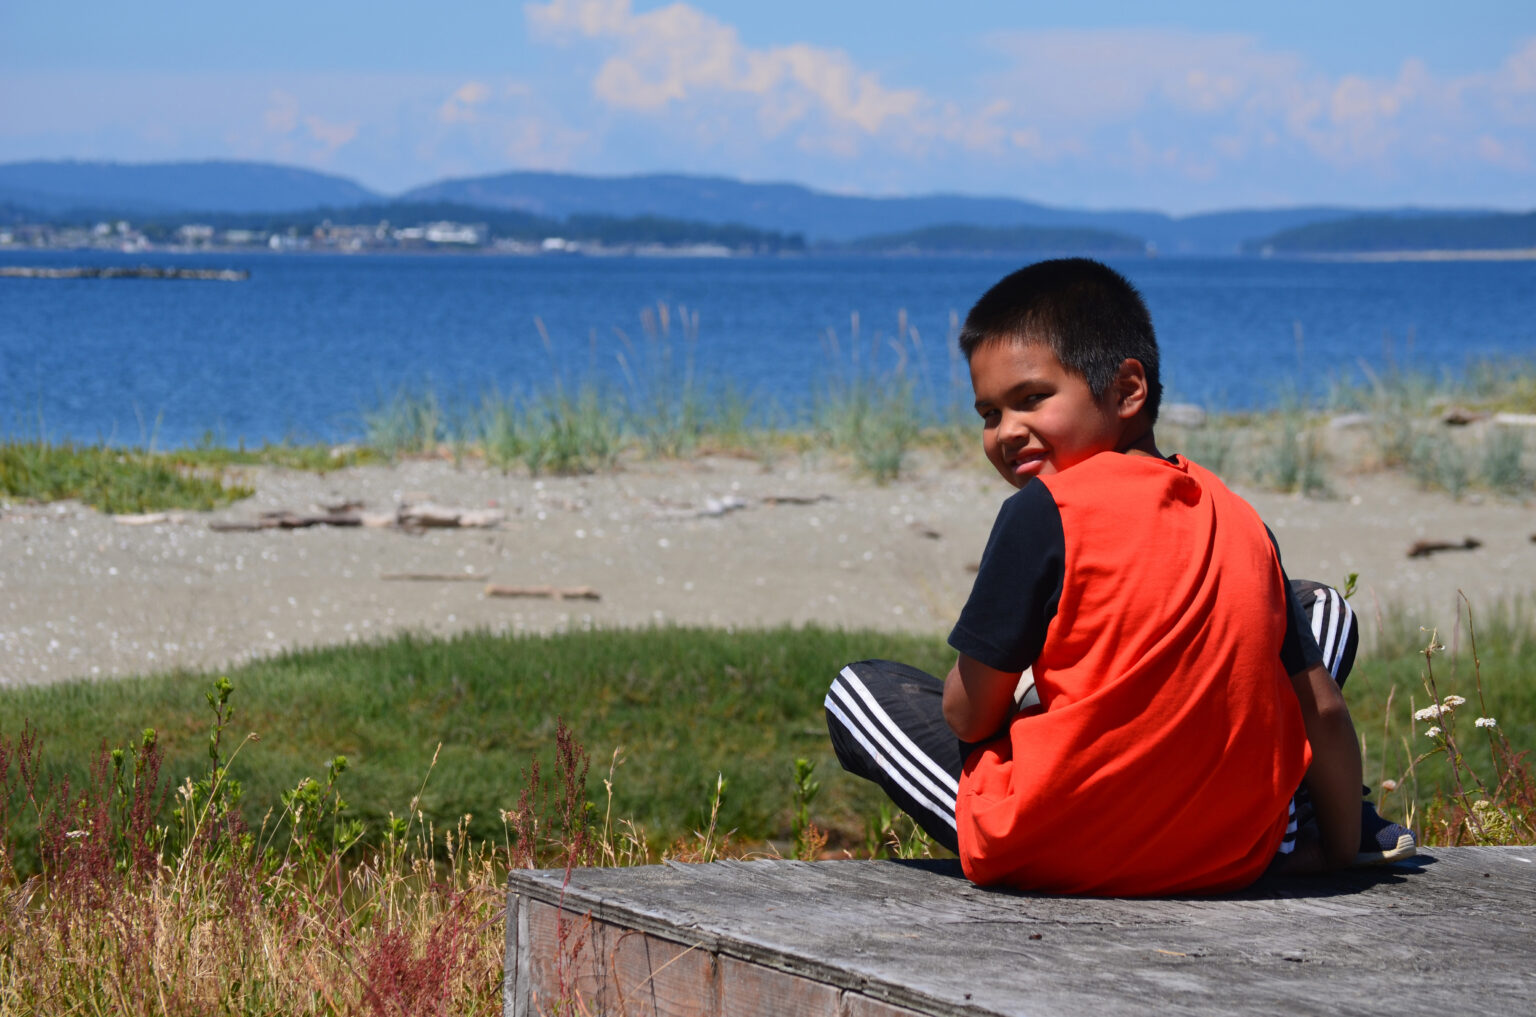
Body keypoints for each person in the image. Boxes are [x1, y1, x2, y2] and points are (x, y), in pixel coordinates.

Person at [825, 258, 1414, 895]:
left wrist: (1021, 688)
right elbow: (1322, 707)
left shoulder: (1040, 513)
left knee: (859, 691)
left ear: (1128, 389)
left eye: (1031, 400)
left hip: (1059, 852)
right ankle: (1309, 816)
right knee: (1319, 611)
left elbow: (968, 719)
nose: (1006, 433)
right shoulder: (1240, 519)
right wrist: (1338, 850)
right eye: (989, 415)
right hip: (1231, 851)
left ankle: (1036, 807)